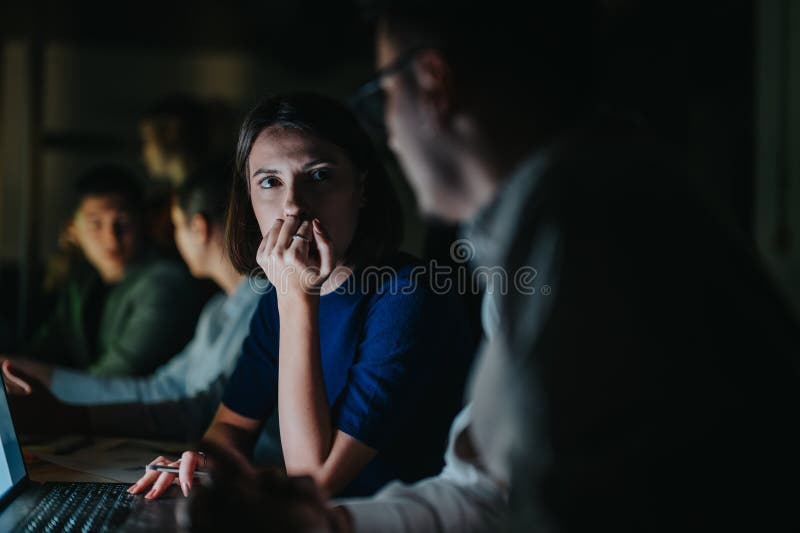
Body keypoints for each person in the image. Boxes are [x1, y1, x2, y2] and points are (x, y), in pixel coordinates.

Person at [179, 3, 799, 532]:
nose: (391, 135)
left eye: (386, 100)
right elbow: (483, 489)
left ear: (433, 85)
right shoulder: (530, 230)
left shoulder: (591, 225)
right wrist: (327, 523)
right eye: (267, 182)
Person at [129, 93, 477, 500]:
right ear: (249, 198)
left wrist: (297, 296)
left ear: (360, 188)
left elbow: (312, 480)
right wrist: (205, 461)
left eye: (320, 176)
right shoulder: (274, 300)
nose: (293, 204)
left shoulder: (408, 294)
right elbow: (232, 427)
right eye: (270, 182)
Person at [2, 166, 262, 441]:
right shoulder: (217, 309)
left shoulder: (259, 304)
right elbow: (163, 387)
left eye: (175, 226)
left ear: (198, 228)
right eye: (95, 224)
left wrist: (65, 413)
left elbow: (201, 410)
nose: (110, 237)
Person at [7, 165, 203, 377]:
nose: (111, 238)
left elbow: (121, 374)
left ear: (142, 224)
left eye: (124, 223)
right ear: (73, 230)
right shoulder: (83, 281)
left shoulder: (163, 284)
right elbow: (48, 345)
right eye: (95, 224)